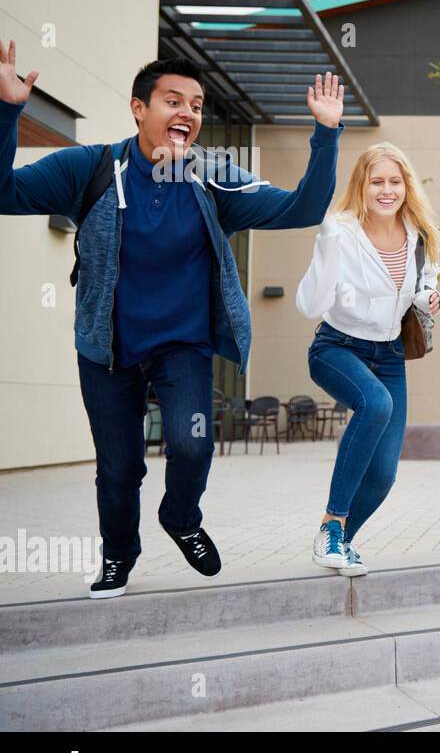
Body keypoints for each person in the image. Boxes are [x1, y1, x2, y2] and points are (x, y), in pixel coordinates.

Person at [0, 40, 345, 598]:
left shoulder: (214, 177)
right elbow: (4, 191)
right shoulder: (90, 169)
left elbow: (304, 208)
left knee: (191, 444)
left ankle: (181, 519)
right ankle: (119, 556)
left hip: (182, 347)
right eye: (173, 100)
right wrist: (7, 111)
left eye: (197, 105)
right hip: (106, 351)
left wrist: (326, 133)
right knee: (118, 469)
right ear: (139, 109)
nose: (187, 112)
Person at [296, 143, 440, 576]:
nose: (386, 190)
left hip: (391, 354)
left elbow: (422, 284)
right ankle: (332, 526)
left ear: (406, 186)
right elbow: (310, 305)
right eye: (376, 181)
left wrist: (429, 296)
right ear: (361, 185)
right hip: (336, 347)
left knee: (383, 477)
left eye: (394, 182)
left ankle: (340, 543)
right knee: (375, 404)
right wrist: (325, 245)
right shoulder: (339, 230)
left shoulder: (418, 235)